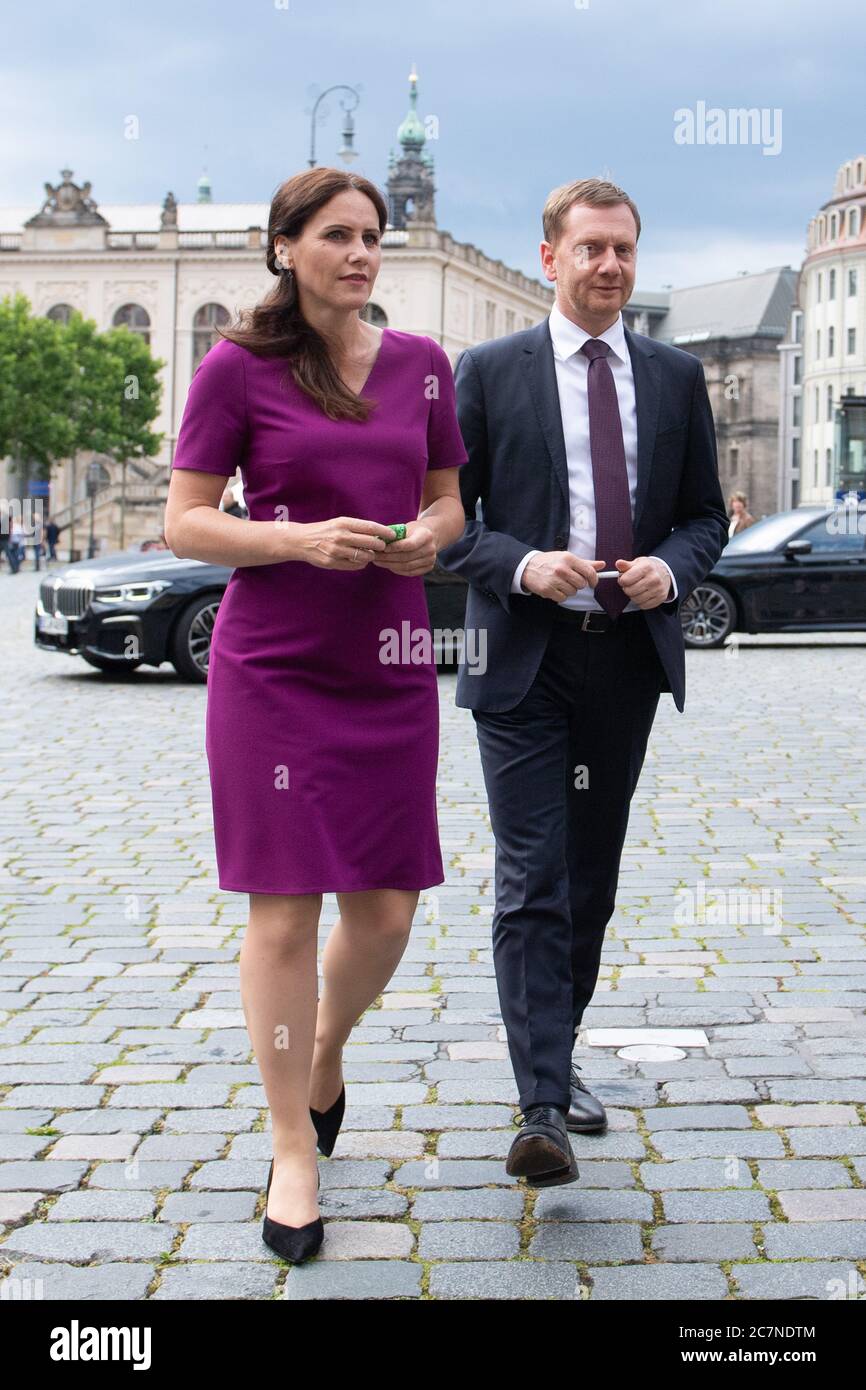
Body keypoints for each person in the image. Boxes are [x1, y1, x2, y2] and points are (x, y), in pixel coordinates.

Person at [164, 167, 467, 1263]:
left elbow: (445, 498)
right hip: (274, 670)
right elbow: (188, 524)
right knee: (285, 915)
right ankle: (293, 1144)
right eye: (335, 235)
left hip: (385, 660)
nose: (359, 253)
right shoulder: (235, 369)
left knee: (385, 915)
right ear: (284, 247)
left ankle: (325, 1045)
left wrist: (430, 533)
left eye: (371, 236)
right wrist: (296, 537)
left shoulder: (424, 368)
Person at [437, 178, 728, 1188]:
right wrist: (519, 564)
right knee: (531, 877)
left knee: (588, 880)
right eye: (591, 248)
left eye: (624, 250)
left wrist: (673, 570)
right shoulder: (483, 371)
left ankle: (553, 1059)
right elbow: (442, 523)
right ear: (550, 256)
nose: (609, 265)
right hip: (520, 658)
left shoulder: (675, 375)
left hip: (624, 663)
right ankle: (540, 1108)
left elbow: (704, 515)